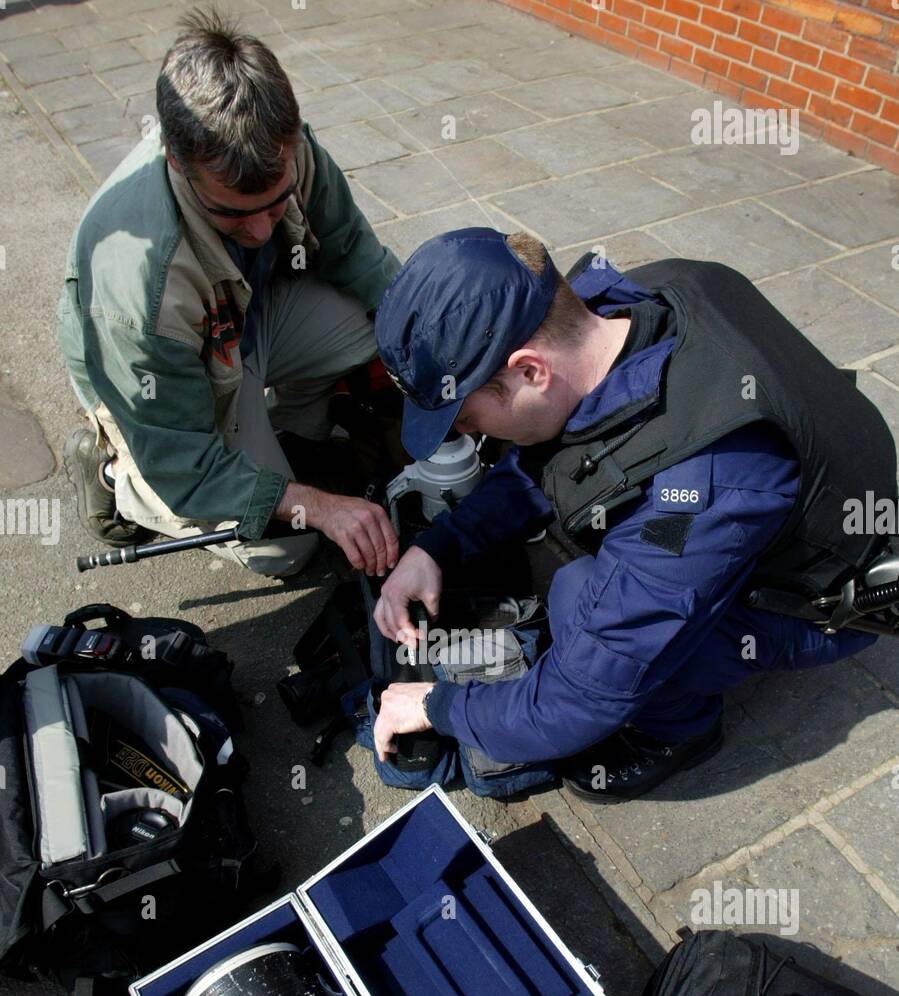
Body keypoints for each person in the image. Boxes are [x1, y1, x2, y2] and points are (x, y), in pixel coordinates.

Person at [370, 226, 896, 800]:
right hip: (788, 504)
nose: (469, 435)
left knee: (577, 596)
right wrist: (438, 546)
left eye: (467, 420)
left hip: (814, 602)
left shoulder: (699, 489)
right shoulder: (638, 299)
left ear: (530, 371)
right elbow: (546, 459)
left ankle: (678, 734)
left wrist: (436, 705)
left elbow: (577, 699)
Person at [57, 6, 401, 579]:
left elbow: (357, 255)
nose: (264, 230)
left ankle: (291, 435)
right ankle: (118, 475)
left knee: (375, 322)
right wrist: (314, 505)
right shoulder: (138, 291)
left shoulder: (283, 147)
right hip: (167, 382)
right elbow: (187, 466)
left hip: (245, 318)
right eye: (233, 214)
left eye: (277, 202)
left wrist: (447, 357)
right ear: (176, 159)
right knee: (286, 548)